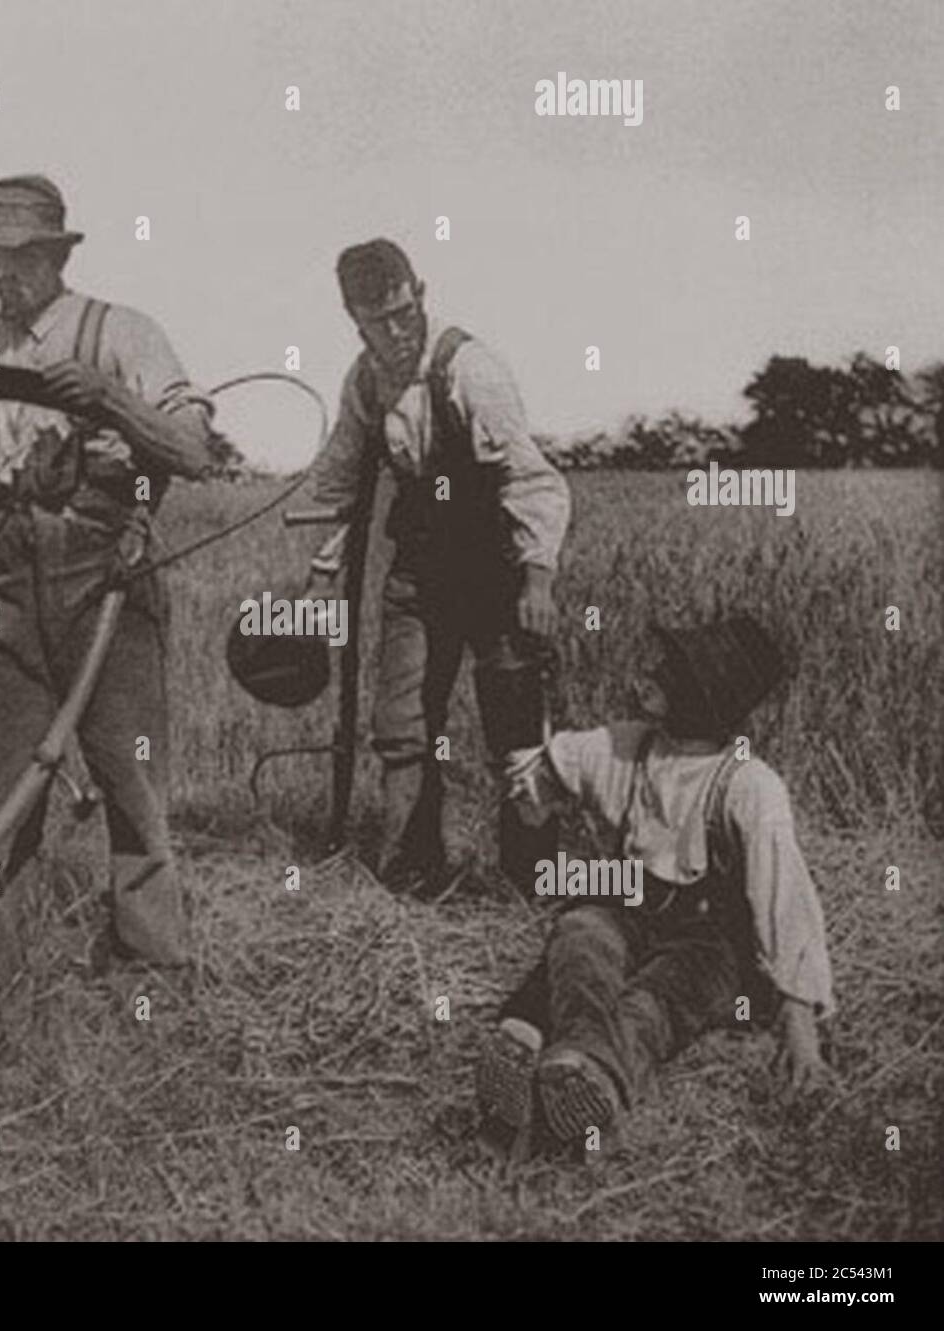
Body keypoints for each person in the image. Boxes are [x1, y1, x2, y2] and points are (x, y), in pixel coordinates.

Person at [0, 174, 222, 1049]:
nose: (4, 273)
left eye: (20, 256)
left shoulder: (118, 333)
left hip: (105, 580)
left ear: (56, 254)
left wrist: (110, 399)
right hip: (11, 583)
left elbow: (194, 450)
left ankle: (152, 977)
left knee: (133, 781)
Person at [475, 615, 835, 1154]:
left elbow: (784, 897)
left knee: (653, 1002)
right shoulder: (628, 746)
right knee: (580, 941)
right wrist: (521, 729)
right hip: (626, 902)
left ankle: (585, 1079)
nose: (652, 674)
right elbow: (539, 777)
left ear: (703, 699)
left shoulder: (750, 786)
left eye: (671, 671)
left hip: (709, 940)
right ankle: (541, 1056)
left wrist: (799, 1015)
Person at [305, 238, 570, 897]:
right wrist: (320, 572)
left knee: (515, 726)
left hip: (493, 564)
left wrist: (537, 576)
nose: (396, 331)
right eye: (378, 320)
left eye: (403, 312)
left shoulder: (469, 367)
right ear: (354, 320)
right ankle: (413, 873)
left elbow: (534, 480)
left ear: (420, 295)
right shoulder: (364, 382)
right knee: (401, 726)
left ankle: (529, 880)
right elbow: (339, 483)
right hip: (420, 571)